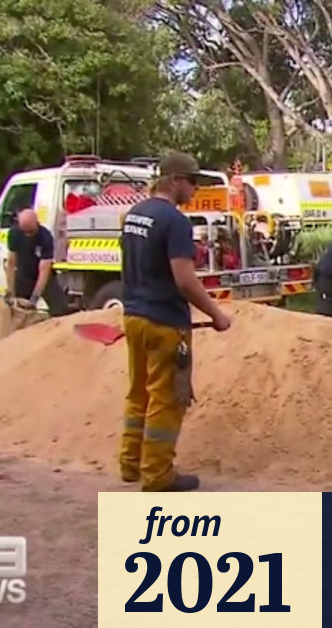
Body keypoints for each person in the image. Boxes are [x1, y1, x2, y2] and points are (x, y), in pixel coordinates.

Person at [119, 151, 232, 493]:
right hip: (165, 323)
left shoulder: (134, 215)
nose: (195, 189)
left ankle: (131, 463)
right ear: (173, 181)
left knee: (139, 392)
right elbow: (184, 279)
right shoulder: (175, 221)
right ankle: (157, 475)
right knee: (167, 399)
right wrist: (216, 314)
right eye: (191, 181)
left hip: (134, 316)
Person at [5, 209, 69, 316]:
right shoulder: (14, 234)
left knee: (61, 308)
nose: (27, 234)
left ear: (37, 223)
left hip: (44, 277)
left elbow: (44, 270)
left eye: (30, 231)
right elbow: (11, 263)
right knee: (18, 311)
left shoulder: (45, 237)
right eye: (24, 231)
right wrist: (10, 291)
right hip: (23, 276)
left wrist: (35, 297)